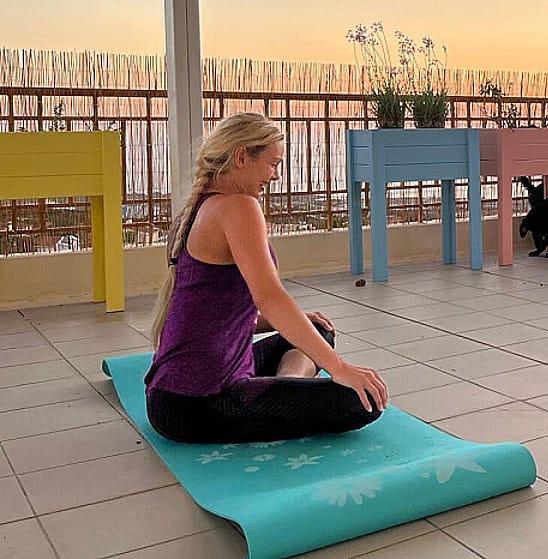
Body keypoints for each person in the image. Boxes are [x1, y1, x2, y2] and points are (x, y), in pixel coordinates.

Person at [144, 112, 388, 443]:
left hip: (179, 390)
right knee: (364, 401)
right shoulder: (238, 207)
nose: (275, 175)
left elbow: (214, 314)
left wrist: (279, 323)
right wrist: (339, 368)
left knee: (318, 331)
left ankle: (288, 390)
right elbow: (270, 297)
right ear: (242, 157)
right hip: (196, 403)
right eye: (272, 164)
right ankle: (285, 396)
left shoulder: (200, 206)